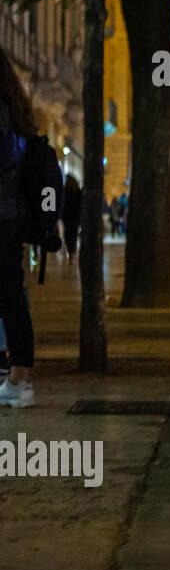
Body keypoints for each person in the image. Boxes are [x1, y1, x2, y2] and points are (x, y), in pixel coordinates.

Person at [0, 49, 41, 407]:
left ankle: (19, 377)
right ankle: (20, 377)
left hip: (2, 214)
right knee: (12, 294)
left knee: (11, 295)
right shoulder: (15, 110)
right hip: (12, 215)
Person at [62, 174, 83, 260]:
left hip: (70, 216)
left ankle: (71, 252)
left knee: (69, 234)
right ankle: (71, 252)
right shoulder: (77, 192)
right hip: (73, 217)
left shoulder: (67, 191)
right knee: (72, 234)